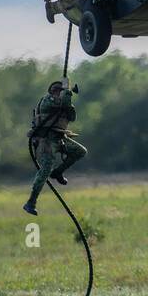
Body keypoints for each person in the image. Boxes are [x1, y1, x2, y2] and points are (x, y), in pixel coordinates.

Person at [24, 80, 87, 215]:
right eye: (59, 91)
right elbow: (60, 103)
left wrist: (68, 98)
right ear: (53, 91)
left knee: (80, 151)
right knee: (45, 169)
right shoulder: (47, 100)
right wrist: (67, 92)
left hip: (59, 140)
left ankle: (58, 172)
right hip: (45, 141)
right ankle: (31, 202)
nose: (60, 93)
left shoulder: (65, 103)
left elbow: (72, 116)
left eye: (61, 91)